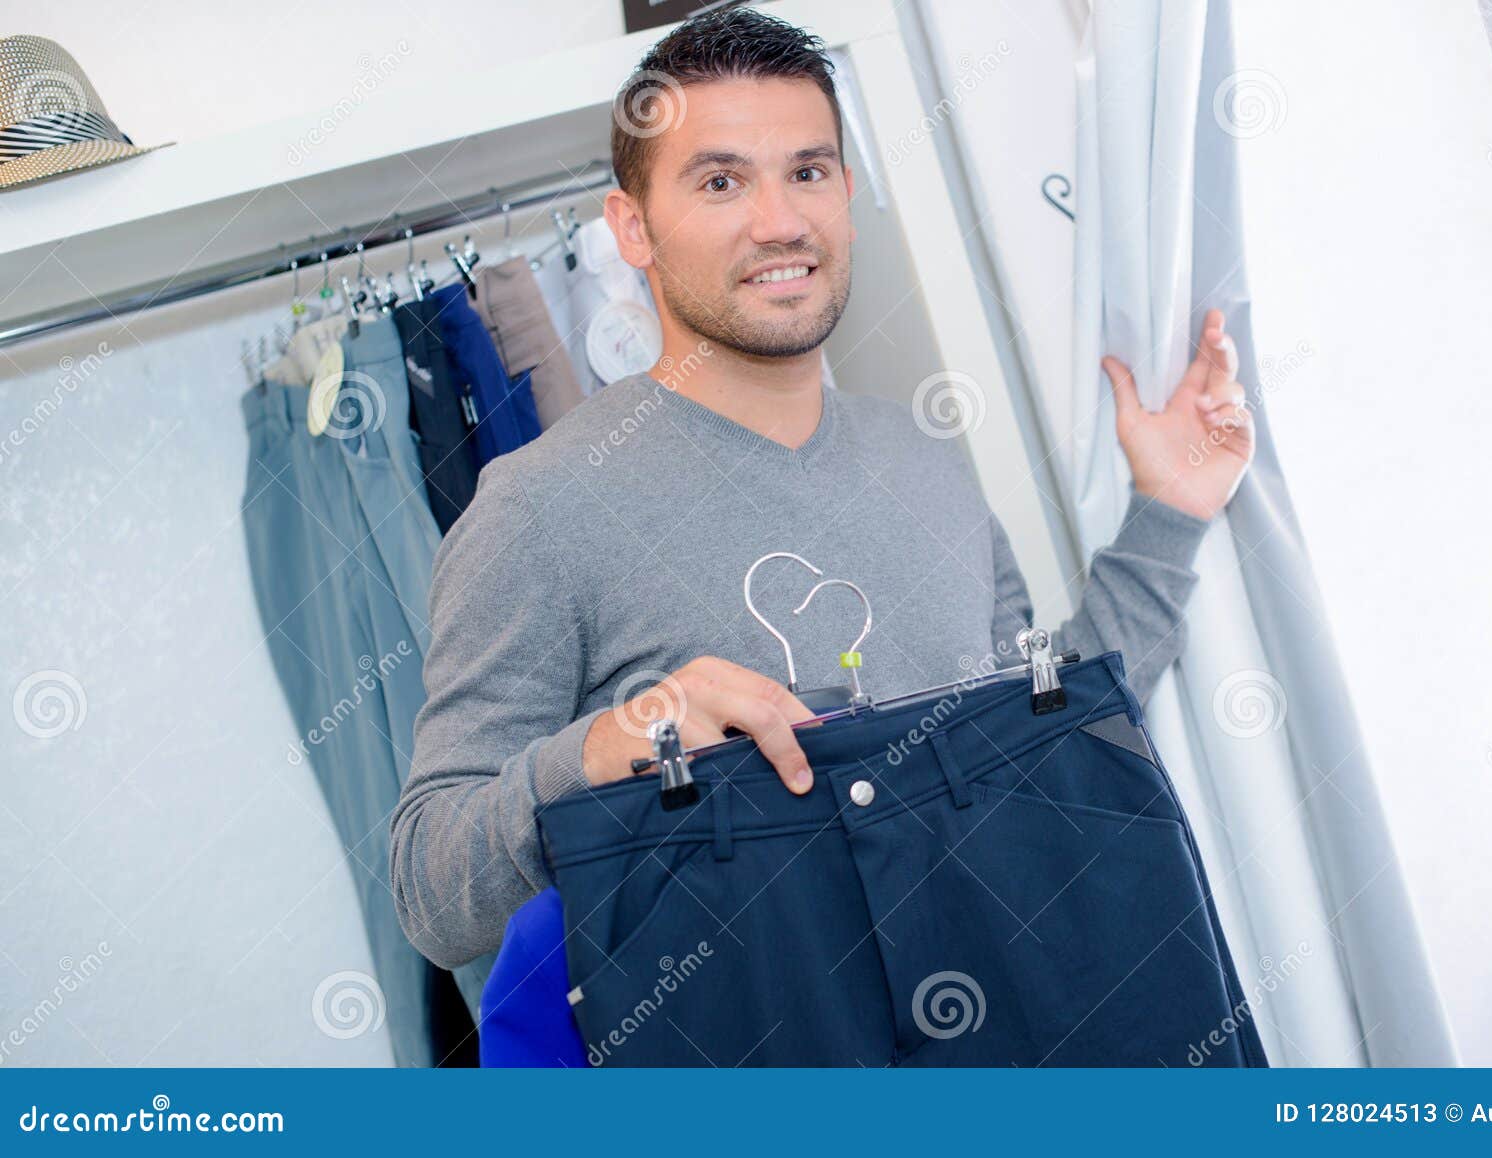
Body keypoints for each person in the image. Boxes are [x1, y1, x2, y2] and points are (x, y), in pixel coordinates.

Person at [390, 5, 1254, 976]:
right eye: (721, 181)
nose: (780, 223)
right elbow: (433, 896)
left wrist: (1170, 513)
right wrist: (615, 742)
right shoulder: (537, 508)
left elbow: (1041, 735)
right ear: (632, 228)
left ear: (844, 190)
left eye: (806, 172)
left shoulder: (922, 457)